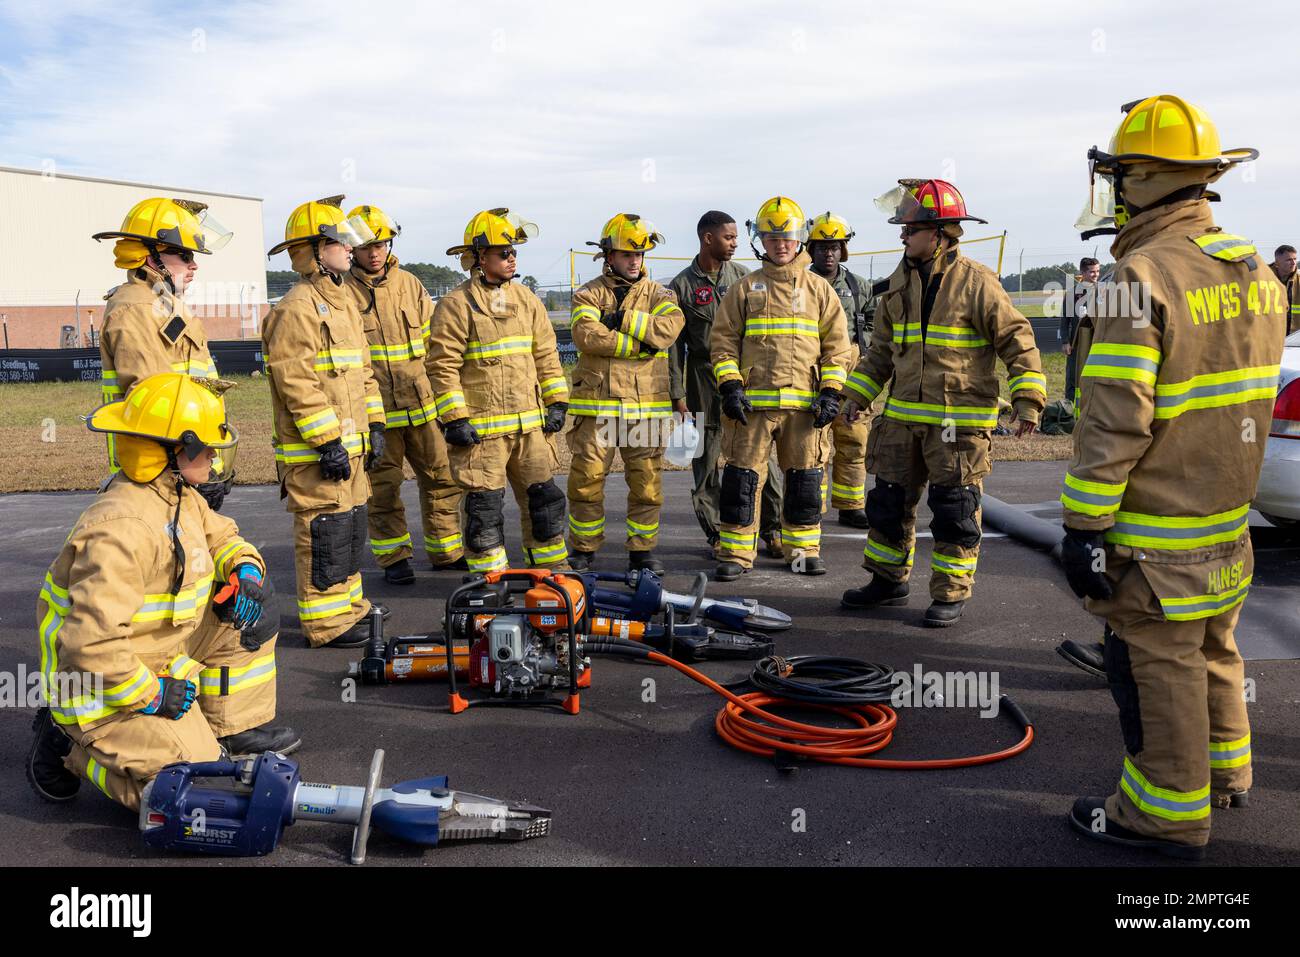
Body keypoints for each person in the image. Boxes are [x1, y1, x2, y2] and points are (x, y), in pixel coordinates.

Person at [1061, 94, 1285, 860]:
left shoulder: (1140, 273)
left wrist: (1084, 525)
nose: (1116, 189)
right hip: (1227, 521)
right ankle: (1229, 772)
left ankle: (1163, 814)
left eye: (1122, 175)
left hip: (1157, 532)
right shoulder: (1253, 266)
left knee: (1158, 658)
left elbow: (1116, 418)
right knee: (1218, 645)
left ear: (1147, 179)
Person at [26, 373, 297, 810]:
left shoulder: (177, 496)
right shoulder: (121, 532)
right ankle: (67, 743)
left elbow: (225, 538)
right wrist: (153, 695)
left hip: (154, 658)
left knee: (251, 615)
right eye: (205, 448)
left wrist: (243, 571)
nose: (213, 457)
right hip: (100, 688)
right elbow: (90, 645)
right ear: (175, 451)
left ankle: (223, 727)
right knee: (191, 796)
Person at [840, 179, 1045, 628]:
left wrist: (1028, 399)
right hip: (901, 423)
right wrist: (854, 395)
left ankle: (950, 592)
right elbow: (879, 355)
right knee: (888, 504)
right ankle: (887, 580)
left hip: (959, 427)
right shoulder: (896, 285)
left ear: (939, 232)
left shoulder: (977, 284)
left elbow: (1017, 340)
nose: (901, 235)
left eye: (909, 228)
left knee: (954, 511)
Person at [263, 197, 388, 648]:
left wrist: (375, 426)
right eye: (340, 242)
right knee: (324, 534)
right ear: (316, 250)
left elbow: (364, 373)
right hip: (319, 454)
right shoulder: (297, 307)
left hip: (350, 451)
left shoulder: (343, 303)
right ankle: (327, 623)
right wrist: (327, 441)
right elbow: (295, 380)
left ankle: (350, 608)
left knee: (350, 529)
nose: (350, 250)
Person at [708, 196, 851, 581]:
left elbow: (838, 347)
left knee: (805, 481)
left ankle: (803, 551)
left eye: (787, 237)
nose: (781, 244)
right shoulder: (743, 289)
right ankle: (737, 553)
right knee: (741, 479)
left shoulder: (821, 290)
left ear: (800, 238)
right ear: (762, 241)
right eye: (773, 237)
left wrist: (831, 392)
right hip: (751, 407)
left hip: (806, 408)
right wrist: (731, 386)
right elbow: (722, 343)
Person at [425, 208, 570, 572]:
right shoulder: (456, 305)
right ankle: (490, 581)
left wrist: (556, 402)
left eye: (514, 252)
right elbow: (442, 366)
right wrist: (455, 418)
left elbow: (546, 355)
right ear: (478, 256)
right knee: (484, 513)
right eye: (504, 252)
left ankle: (551, 573)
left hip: (531, 432)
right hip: (482, 436)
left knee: (545, 505)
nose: (512, 258)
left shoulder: (527, 300)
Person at [344, 204, 466, 584]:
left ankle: (447, 552)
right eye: (366, 245)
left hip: (423, 406)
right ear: (351, 247)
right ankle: (394, 558)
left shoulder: (411, 285)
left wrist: (448, 408)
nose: (375, 252)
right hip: (377, 413)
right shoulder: (341, 291)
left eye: (380, 244)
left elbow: (436, 346)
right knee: (383, 489)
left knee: (443, 480)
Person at [92, 197, 233, 510]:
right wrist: (199, 468)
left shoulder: (162, 303)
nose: (194, 264)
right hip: (163, 472)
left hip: (183, 463)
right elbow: (159, 406)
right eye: (183, 255)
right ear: (149, 257)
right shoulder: (138, 310)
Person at [567, 214, 685, 573]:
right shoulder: (586, 293)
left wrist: (620, 320)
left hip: (643, 409)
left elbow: (667, 330)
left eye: (639, 255)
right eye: (626, 255)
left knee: (646, 485)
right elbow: (586, 336)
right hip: (597, 408)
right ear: (609, 256)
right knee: (586, 482)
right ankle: (584, 550)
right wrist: (638, 346)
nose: (634, 261)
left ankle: (641, 553)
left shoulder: (662, 294)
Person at [669, 212, 785, 558]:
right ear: (708, 239)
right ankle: (718, 532)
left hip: (743, 379)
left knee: (757, 456)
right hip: (702, 380)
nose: (735, 243)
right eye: (729, 238)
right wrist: (677, 396)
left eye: (736, 238)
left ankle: (773, 528)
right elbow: (675, 348)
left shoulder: (745, 280)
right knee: (705, 460)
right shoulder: (682, 286)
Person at [807, 212, 879, 528]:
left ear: (843, 249)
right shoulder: (801, 285)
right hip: (811, 374)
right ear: (811, 249)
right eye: (822, 247)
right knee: (813, 444)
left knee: (854, 441)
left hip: (851, 374)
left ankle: (851, 506)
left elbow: (876, 324)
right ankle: (812, 507)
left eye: (834, 246)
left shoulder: (860, 287)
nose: (829, 253)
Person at [1062, 256, 1101, 409]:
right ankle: (1069, 409)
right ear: (1083, 273)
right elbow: (1064, 319)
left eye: (1098, 271)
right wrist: (1065, 341)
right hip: (1077, 341)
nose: (1096, 275)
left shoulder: (1103, 291)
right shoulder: (1073, 293)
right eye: (1092, 272)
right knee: (1073, 376)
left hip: (1098, 341)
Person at [1269, 244, 1299, 334]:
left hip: (1293, 340)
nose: (1294, 263)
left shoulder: (1299, 281)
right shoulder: (1263, 279)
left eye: (1295, 259)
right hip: (1270, 335)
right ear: (1277, 262)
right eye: (1289, 260)